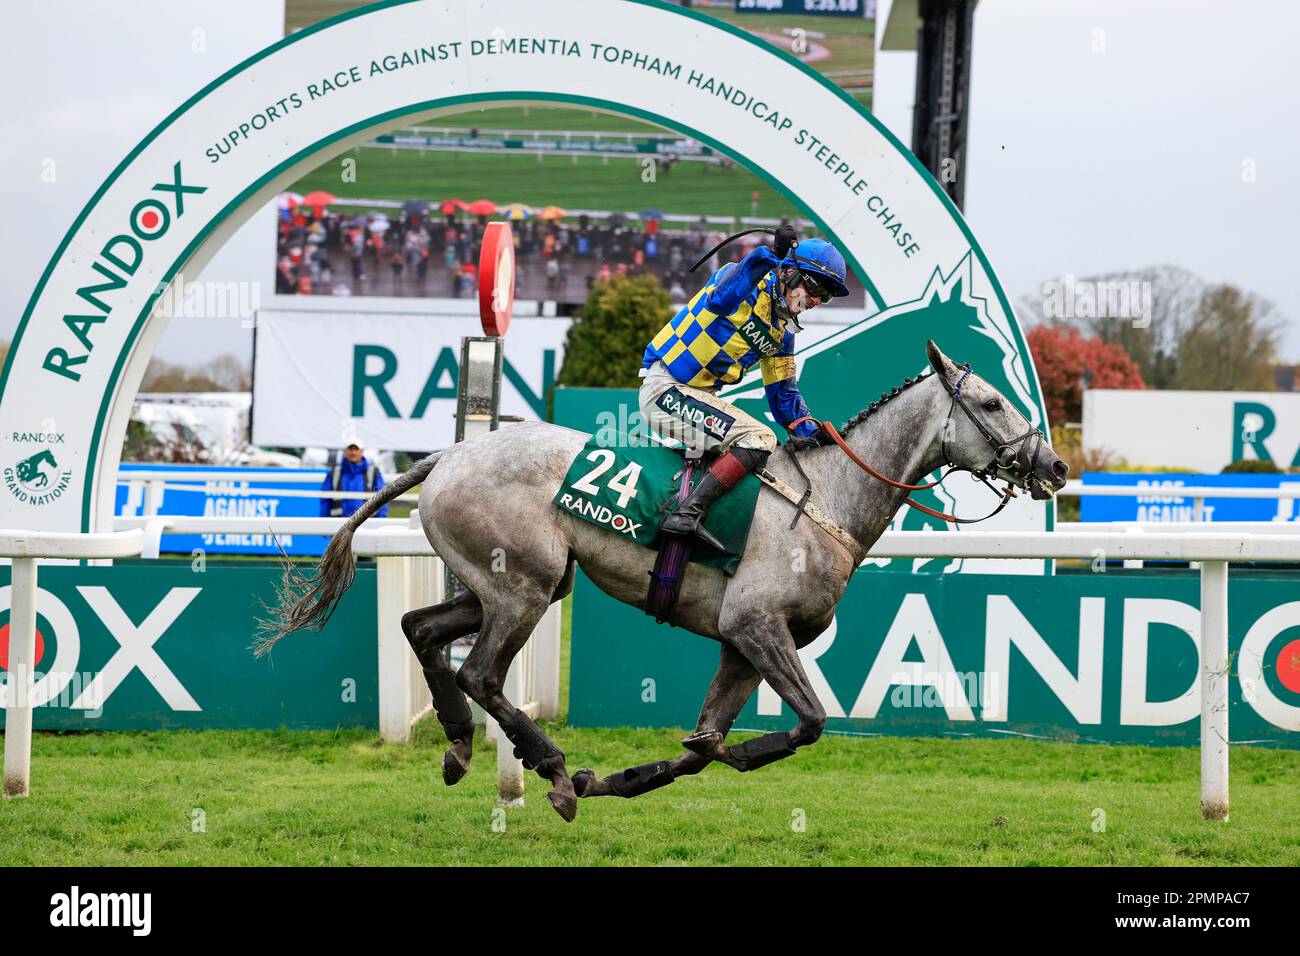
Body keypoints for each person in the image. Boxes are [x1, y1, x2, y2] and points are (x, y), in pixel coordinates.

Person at [639, 224, 849, 550]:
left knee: (763, 452)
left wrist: (809, 429)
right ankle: (685, 515)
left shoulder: (782, 332)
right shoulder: (742, 283)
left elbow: (782, 391)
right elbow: (724, 297)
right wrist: (771, 256)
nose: (817, 300)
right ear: (790, 272)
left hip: (695, 398)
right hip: (666, 389)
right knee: (759, 438)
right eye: (815, 288)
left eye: (826, 296)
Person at [320, 442, 388, 518]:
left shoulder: (373, 472)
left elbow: (382, 498)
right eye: (350, 449)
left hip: (367, 523)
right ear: (345, 451)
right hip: (339, 522)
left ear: (362, 451)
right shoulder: (334, 472)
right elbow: (325, 499)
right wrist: (324, 521)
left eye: (356, 449)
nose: (353, 453)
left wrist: (381, 519)